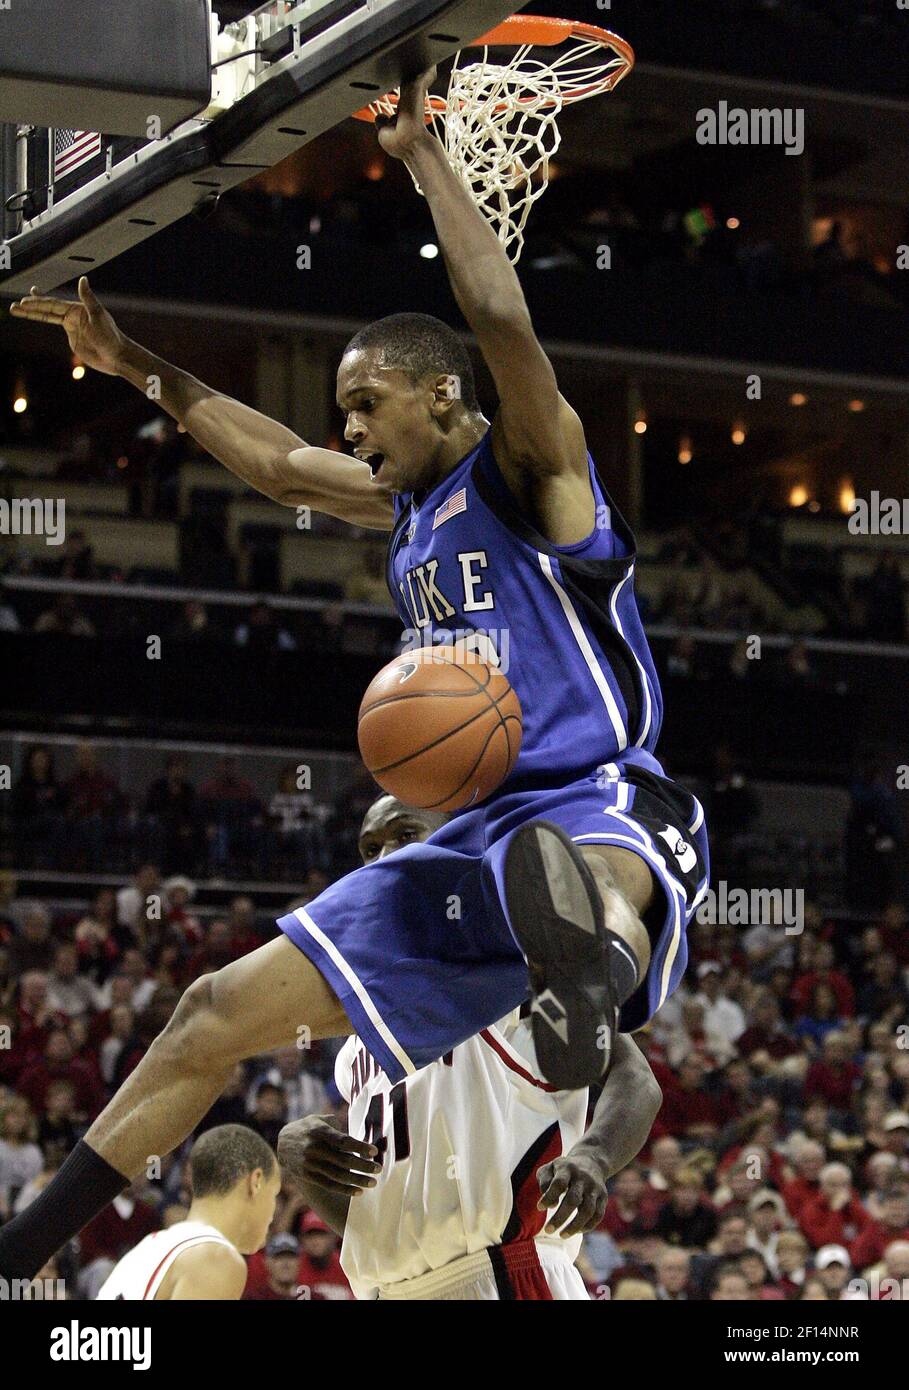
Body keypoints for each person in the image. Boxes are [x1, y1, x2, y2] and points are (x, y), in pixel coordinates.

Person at [2, 69, 708, 1285]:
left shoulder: (534, 475)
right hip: (463, 830)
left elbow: (506, 331)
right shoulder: (402, 503)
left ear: (444, 397)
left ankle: (589, 976)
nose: (350, 432)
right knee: (210, 1011)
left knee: (592, 879)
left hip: (595, 788)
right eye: (345, 412)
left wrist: (423, 150)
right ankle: (16, 1252)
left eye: (366, 405)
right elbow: (274, 462)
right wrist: (128, 361)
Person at [277, 795, 663, 1300]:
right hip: (389, 1289)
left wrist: (594, 1156)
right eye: (369, 848)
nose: (382, 857)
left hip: (504, 1274)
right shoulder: (357, 1041)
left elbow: (635, 1077)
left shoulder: (508, 969)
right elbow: (376, 1220)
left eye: (403, 834)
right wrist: (300, 1156)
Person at [96, 1125, 279, 1300]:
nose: (273, 1213)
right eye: (273, 1195)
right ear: (254, 1183)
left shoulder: (152, 1243)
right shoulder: (215, 1256)